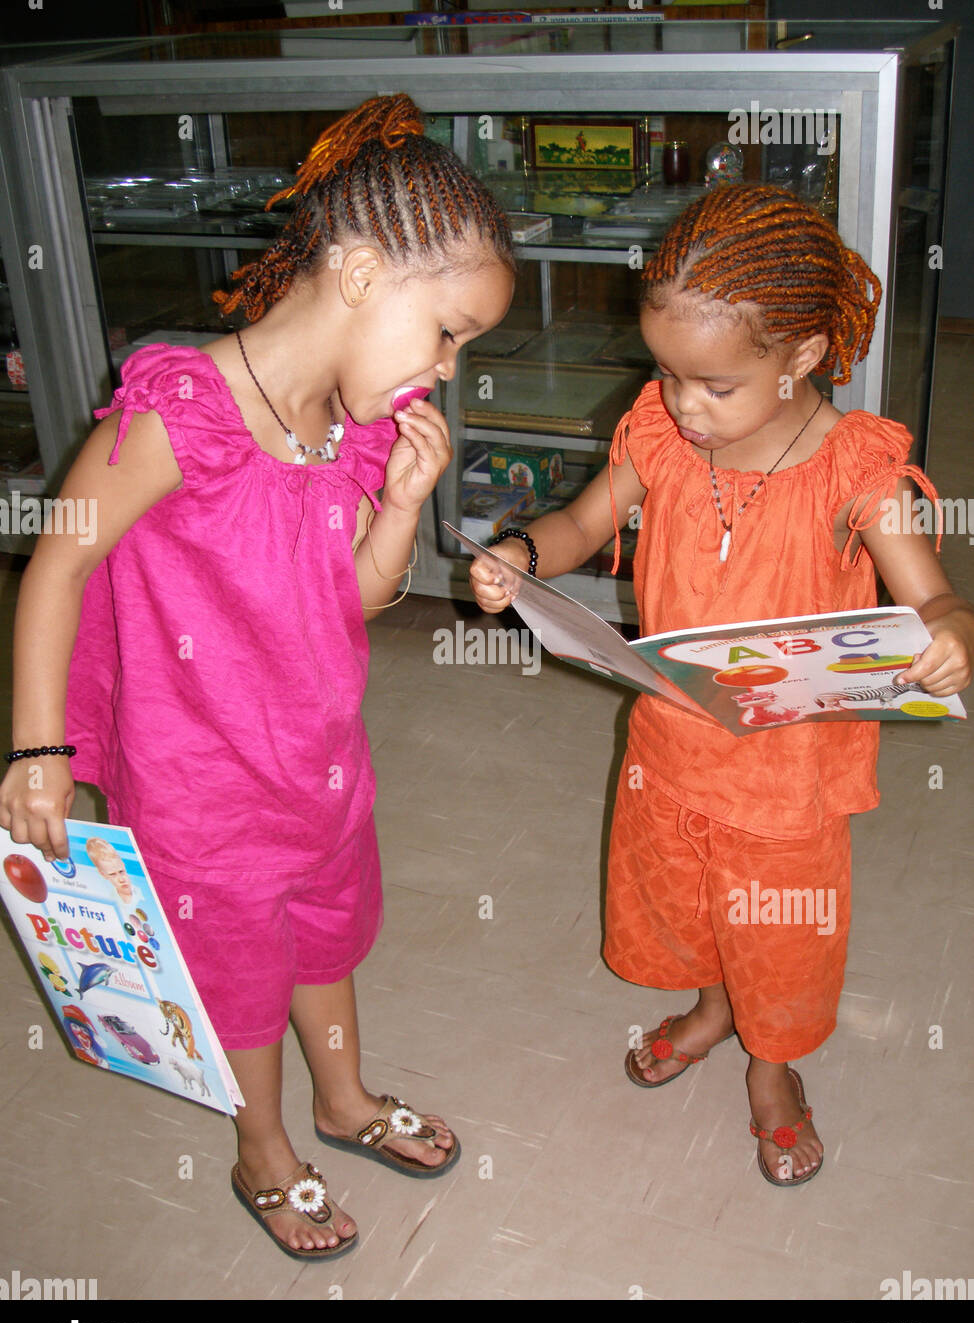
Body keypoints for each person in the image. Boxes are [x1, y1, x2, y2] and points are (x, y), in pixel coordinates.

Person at [1, 94, 514, 1256]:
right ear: (361, 271)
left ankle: (341, 1101)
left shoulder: (361, 427)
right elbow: (63, 552)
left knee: (321, 944)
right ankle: (260, 1147)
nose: (446, 367)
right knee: (238, 979)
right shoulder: (183, 410)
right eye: (445, 331)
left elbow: (364, 595)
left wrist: (398, 506)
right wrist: (40, 747)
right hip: (197, 788)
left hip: (319, 765)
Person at [468, 184, 974, 1187]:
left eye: (713, 385)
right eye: (665, 375)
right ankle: (707, 1007)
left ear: (798, 358)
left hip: (786, 780)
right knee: (685, 903)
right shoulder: (658, 438)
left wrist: (949, 635)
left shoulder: (851, 472)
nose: (683, 406)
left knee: (777, 928)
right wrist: (519, 553)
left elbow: (933, 599)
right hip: (670, 744)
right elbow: (575, 524)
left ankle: (772, 1064)